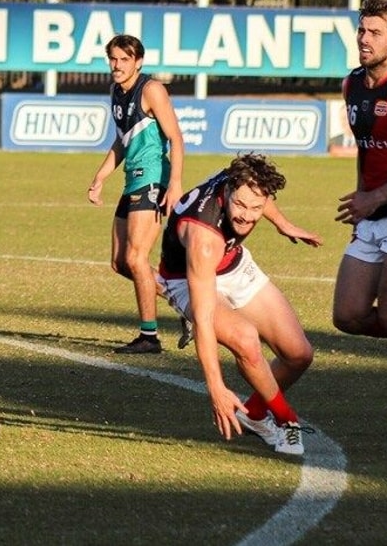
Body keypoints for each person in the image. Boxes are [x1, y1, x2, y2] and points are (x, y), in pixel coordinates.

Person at [157, 154, 320, 455]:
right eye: (240, 206)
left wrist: (283, 224)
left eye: (256, 208)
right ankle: (287, 422)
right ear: (228, 191)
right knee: (245, 338)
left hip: (233, 264)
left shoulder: (244, 182)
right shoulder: (204, 237)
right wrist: (215, 387)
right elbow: (204, 318)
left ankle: (255, 415)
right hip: (187, 277)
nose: (246, 216)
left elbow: (259, 194)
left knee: (299, 355)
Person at [87, 34, 185, 354]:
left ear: (138, 62)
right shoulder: (116, 91)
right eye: (113, 59)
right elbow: (123, 141)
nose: (117, 65)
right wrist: (101, 177)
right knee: (120, 262)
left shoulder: (152, 90)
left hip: (154, 177)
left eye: (123, 60)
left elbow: (176, 139)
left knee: (136, 257)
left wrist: (176, 184)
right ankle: (189, 306)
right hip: (133, 179)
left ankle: (149, 336)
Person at [333, 0, 387, 339]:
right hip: (372, 213)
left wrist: (377, 196)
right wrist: (363, 196)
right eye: (361, 30)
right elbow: (364, 148)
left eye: (376, 32)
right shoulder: (351, 84)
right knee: (347, 315)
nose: (365, 39)